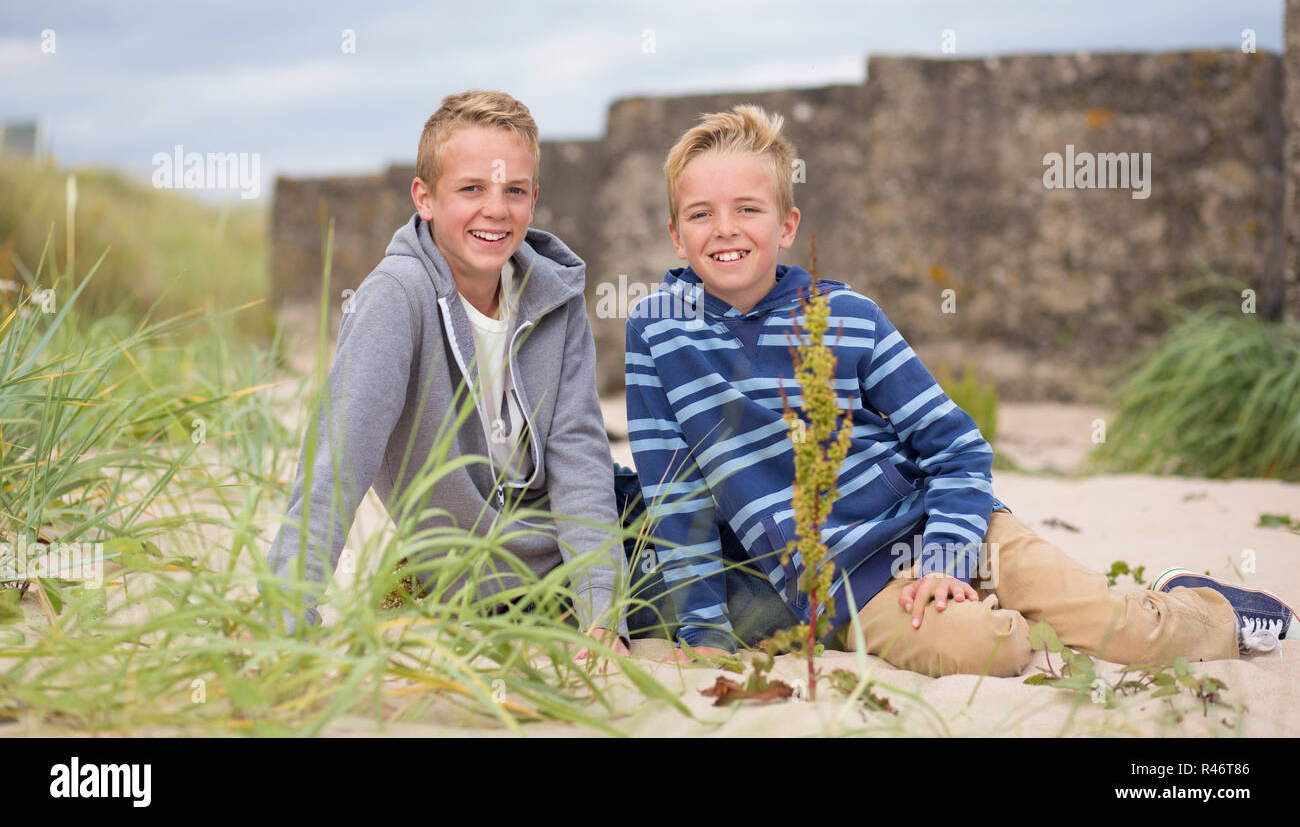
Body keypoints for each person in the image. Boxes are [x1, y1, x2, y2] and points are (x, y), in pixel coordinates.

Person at [624, 103, 1295, 675]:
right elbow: (675, 497)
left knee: (1128, 633)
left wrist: (945, 554)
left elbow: (956, 447)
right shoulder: (658, 333)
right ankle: (1011, 615)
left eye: (748, 208)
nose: (726, 229)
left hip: (951, 528)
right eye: (702, 214)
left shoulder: (847, 316)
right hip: (849, 588)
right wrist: (706, 639)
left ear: (787, 224)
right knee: (985, 650)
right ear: (676, 236)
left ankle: (1201, 605)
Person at [265, 89, 628, 655]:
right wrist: (288, 612)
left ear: (534, 199)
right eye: (471, 189)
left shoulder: (556, 301)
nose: (495, 209)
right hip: (466, 581)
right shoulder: (396, 299)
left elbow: (580, 461)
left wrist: (603, 617)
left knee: (742, 587)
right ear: (425, 197)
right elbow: (339, 462)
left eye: (514, 191)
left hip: (565, 567)